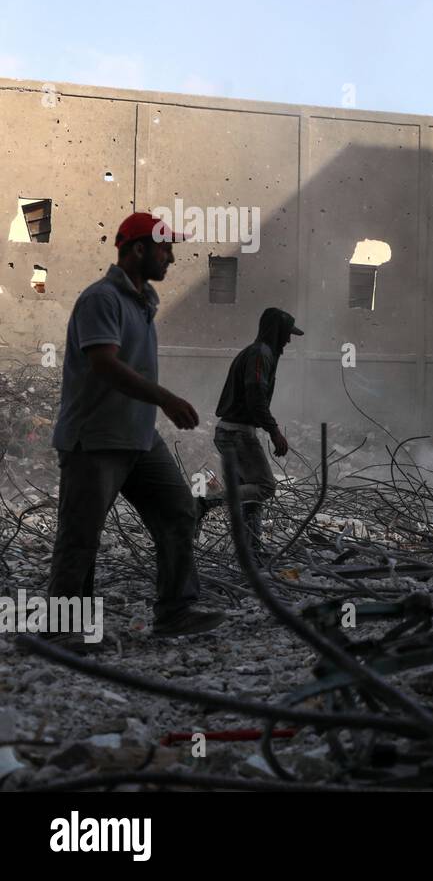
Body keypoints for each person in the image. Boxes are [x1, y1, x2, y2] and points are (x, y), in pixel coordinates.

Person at [48, 213, 226, 638]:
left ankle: (175, 612)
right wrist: (164, 398)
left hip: (138, 438)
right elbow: (105, 364)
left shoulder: (143, 302)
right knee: (80, 538)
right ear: (139, 249)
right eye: (165, 248)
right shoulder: (102, 299)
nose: (172, 257)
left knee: (179, 510)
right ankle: (63, 632)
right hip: (95, 440)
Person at [213, 307, 302, 557]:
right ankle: (207, 501)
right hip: (237, 434)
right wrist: (274, 431)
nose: (289, 340)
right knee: (265, 487)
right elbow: (255, 395)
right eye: (287, 333)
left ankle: (250, 551)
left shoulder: (257, 353)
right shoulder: (261, 354)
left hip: (231, 432)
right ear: (277, 332)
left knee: (251, 499)